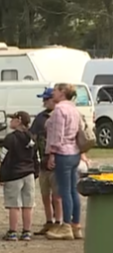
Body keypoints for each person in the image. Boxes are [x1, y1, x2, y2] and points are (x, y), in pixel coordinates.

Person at [45, 83, 83, 240]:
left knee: (64, 190)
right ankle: (76, 225)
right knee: (73, 190)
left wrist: (52, 153)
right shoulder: (74, 109)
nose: (53, 93)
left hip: (63, 153)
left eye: (55, 90)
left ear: (62, 93)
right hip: (74, 151)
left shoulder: (60, 110)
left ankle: (66, 225)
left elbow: (57, 135)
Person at [0, 112, 38, 241]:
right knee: (28, 204)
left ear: (19, 121)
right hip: (29, 173)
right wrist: (35, 172)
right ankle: (27, 231)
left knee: (14, 204)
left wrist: (2, 176)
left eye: (13, 119)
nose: (11, 122)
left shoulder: (10, 138)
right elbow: (35, 158)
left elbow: (4, 158)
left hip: (14, 174)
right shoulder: (31, 138)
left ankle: (13, 231)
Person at [31, 88, 62, 234]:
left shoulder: (60, 116)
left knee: (57, 196)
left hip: (58, 162)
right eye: (43, 100)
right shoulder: (40, 118)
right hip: (43, 161)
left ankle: (59, 222)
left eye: (46, 99)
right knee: (45, 195)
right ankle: (49, 221)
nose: (44, 103)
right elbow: (33, 137)